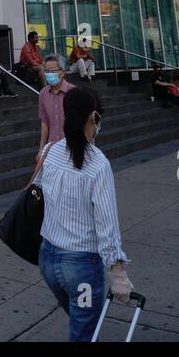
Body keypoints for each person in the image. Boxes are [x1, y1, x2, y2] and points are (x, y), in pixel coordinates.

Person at [38, 87, 133, 342]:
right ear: (93, 117)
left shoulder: (49, 151)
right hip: (80, 267)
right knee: (84, 331)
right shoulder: (98, 164)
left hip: (47, 260)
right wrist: (118, 273)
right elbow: (107, 223)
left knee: (82, 321)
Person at [37, 54, 74, 162]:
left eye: (53, 71)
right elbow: (44, 123)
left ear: (63, 72)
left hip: (71, 147)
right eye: (47, 71)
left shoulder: (73, 92)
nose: (49, 74)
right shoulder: (43, 94)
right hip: (52, 148)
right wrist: (41, 149)